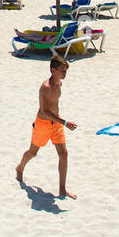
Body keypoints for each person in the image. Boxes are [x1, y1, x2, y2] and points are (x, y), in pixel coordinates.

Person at [15, 56, 77, 199]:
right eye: (62, 71)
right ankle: (20, 168)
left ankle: (62, 190)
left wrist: (61, 122)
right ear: (52, 70)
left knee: (63, 154)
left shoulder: (59, 84)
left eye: (66, 71)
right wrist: (65, 123)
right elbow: (44, 111)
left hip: (56, 124)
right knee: (33, 152)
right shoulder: (45, 87)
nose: (64, 74)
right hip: (43, 124)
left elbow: (55, 106)